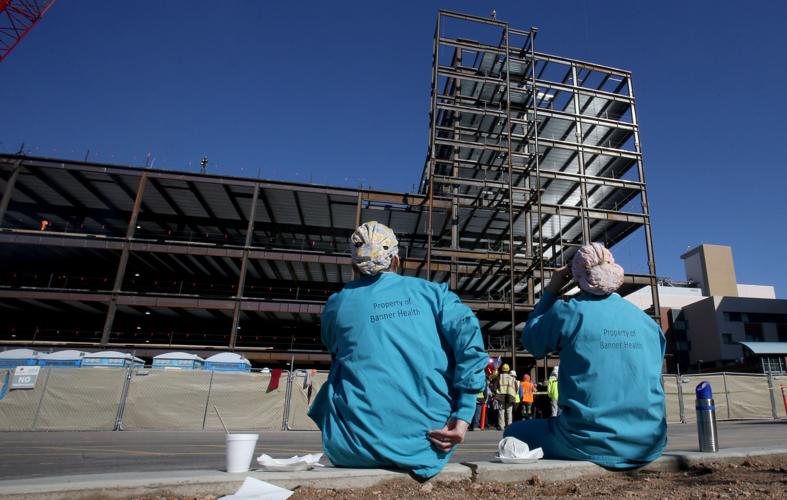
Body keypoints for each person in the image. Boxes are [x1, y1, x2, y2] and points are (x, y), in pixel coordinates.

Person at [308, 221, 488, 478]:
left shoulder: (337, 304)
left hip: (352, 448)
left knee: (341, 363)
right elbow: (470, 340)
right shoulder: (434, 294)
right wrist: (463, 415)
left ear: (353, 264)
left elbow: (332, 345)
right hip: (428, 446)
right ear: (396, 259)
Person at [504, 243, 667, 470]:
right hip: (650, 442)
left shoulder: (569, 311)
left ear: (577, 276)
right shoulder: (648, 323)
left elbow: (532, 341)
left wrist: (552, 288)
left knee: (513, 432)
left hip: (587, 441)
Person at [495, 363, 517, 430]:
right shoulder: (512, 378)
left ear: (502, 369)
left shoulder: (499, 377)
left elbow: (494, 387)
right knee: (509, 412)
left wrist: (496, 393)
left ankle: (501, 426)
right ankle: (509, 426)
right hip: (510, 396)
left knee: (501, 411)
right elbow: (516, 388)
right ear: (508, 370)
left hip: (501, 396)